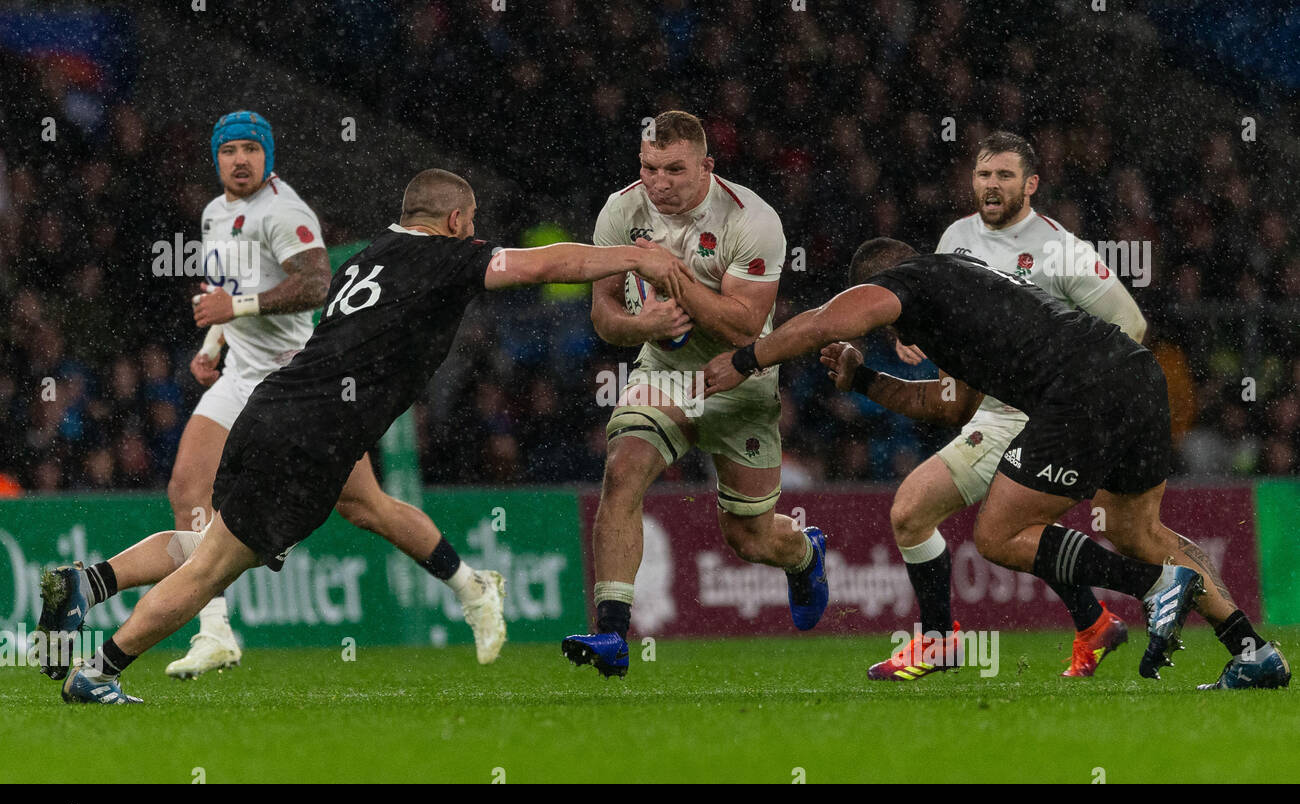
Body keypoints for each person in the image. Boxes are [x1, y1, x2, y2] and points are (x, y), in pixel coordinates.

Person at [38, 168, 688, 704]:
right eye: (472, 222)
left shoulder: (366, 260)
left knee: (217, 544)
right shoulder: (444, 256)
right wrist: (635, 255)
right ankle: (98, 671)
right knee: (214, 566)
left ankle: (90, 585)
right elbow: (545, 265)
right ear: (458, 221)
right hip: (313, 435)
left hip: (271, 408)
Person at [701, 240, 1289, 689]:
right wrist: (866, 380)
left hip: (1080, 389)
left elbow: (828, 320)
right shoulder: (961, 299)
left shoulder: (909, 279)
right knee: (1137, 530)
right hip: (1135, 377)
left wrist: (748, 358)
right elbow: (952, 405)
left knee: (997, 534)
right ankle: (1252, 651)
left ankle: (1156, 585)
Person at [162, 111, 506, 676]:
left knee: (367, 508)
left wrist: (236, 310)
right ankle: (214, 630)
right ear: (216, 159)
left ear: (267, 156)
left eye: (251, 149)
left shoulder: (284, 211)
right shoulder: (214, 214)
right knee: (186, 486)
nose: (240, 160)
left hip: (297, 382)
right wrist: (212, 343)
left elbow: (316, 283)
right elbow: (229, 288)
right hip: (241, 375)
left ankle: (471, 585)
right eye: (229, 151)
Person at [873, 131, 1149, 680]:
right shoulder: (954, 236)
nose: (991, 185)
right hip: (993, 410)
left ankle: (937, 642)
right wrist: (917, 333)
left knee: (914, 512)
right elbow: (948, 312)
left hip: (1039, 413)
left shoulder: (1060, 249)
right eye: (983, 174)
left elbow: (1132, 326)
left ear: (1031, 184)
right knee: (1013, 533)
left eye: (1004, 175)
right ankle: (1094, 622)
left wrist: (1081, 398)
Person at [562, 111, 826, 679]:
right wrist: (646, 326)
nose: (659, 182)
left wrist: (674, 277)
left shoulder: (752, 220)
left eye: (675, 169)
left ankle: (803, 553)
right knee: (623, 469)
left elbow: (742, 325)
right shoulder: (621, 210)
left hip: (740, 378)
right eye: (649, 167)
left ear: (706, 166)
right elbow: (605, 316)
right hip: (663, 370)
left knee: (748, 537)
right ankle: (611, 633)